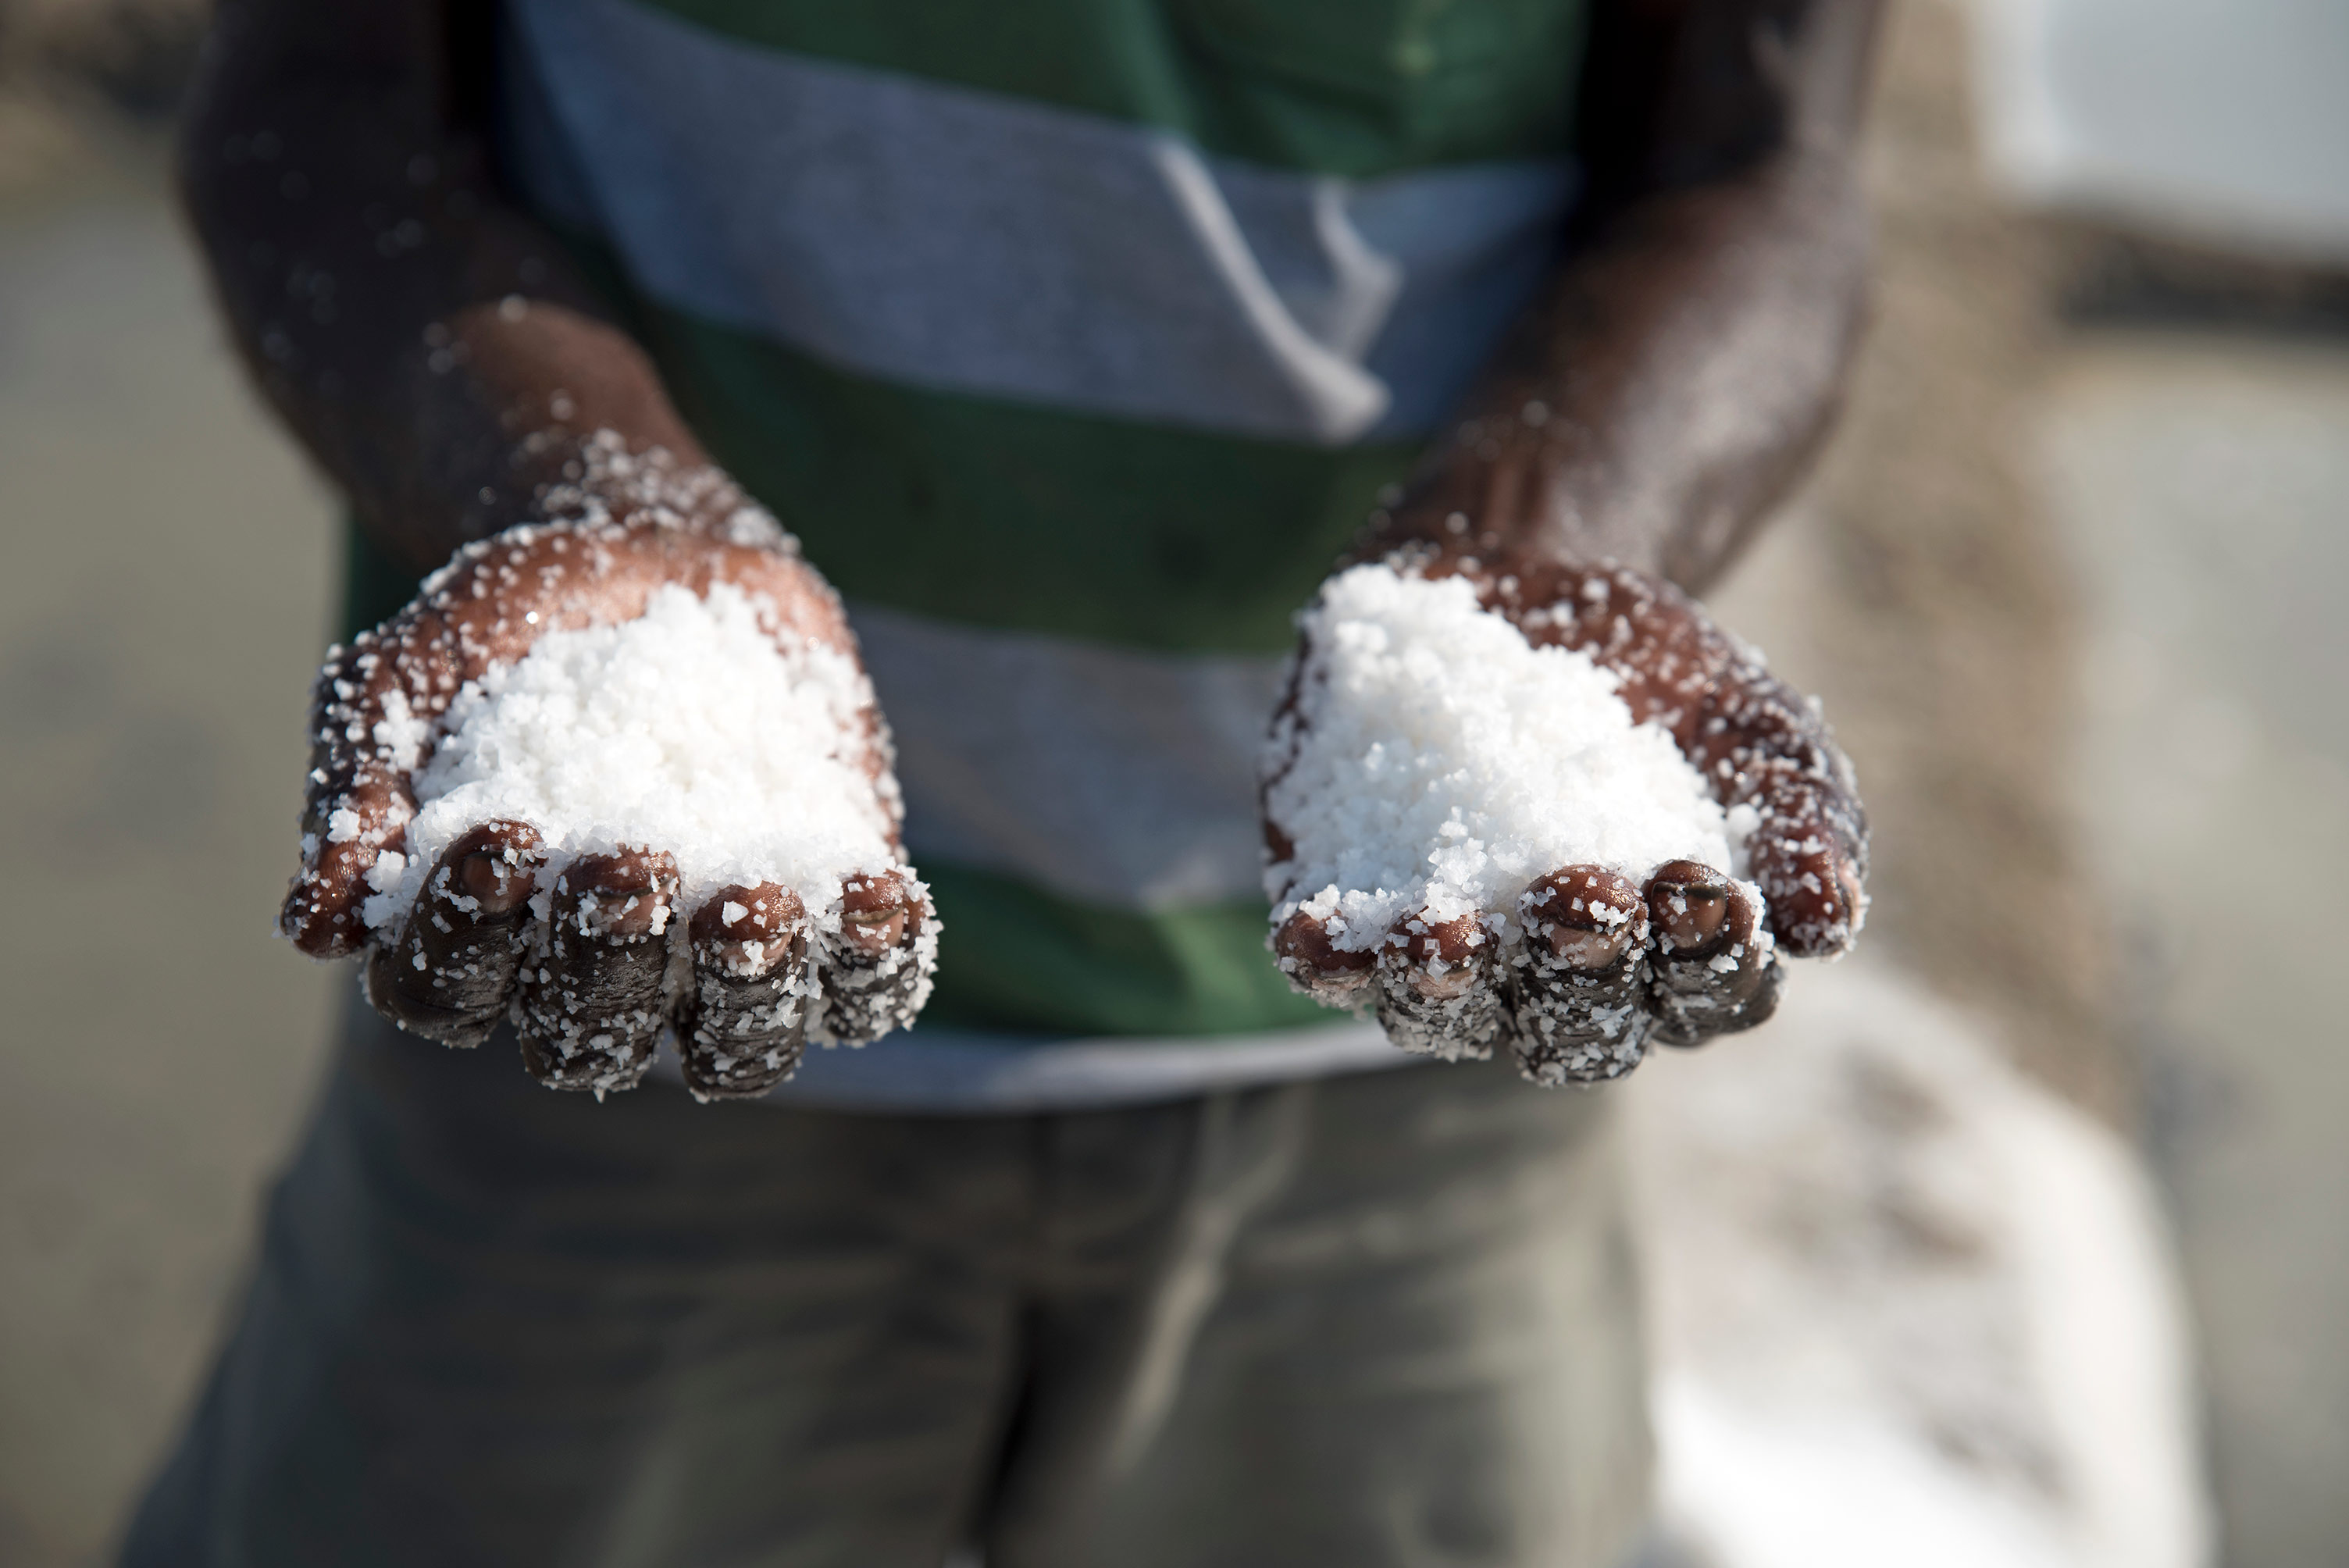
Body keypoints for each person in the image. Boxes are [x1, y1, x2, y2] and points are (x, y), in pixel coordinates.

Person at [126, 0, 1877, 1563]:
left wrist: (1540, 560)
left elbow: (1757, 162)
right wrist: (577, 495)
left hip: (1419, 1022)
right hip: (621, 969)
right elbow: (318, 99)